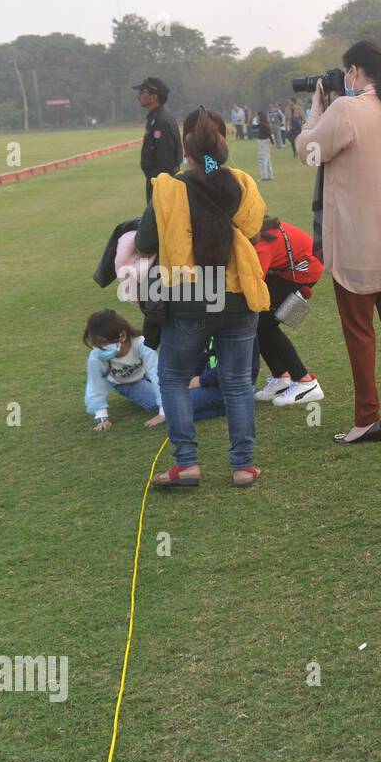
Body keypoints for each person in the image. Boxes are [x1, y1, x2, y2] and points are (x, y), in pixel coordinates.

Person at [296, 39, 381, 445]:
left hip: (356, 245)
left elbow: (309, 151)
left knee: (360, 333)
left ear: (353, 72)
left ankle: (368, 417)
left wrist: (315, 106)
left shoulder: (347, 109)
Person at [136, 106, 271, 488]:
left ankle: (187, 464)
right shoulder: (243, 183)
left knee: (174, 377)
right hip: (237, 293)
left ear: (186, 151)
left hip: (190, 294)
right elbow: (253, 229)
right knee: (238, 381)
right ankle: (242, 466)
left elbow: (146, 242)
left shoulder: (167, 188)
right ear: (222, 146)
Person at [251, 216, 326, 405]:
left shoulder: (261, 245)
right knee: (261, 324)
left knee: (265, 325)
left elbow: (252, 284)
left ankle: (305, 382)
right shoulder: (258, 230)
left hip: (303, 271)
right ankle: (281, 378)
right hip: (291, 268)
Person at [83, 309, 165, 431]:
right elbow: (95, 385)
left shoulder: (141, 343)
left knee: (173, 390)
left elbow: (156, 372)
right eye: (95, 343)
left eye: (104, 342)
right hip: (125, 382)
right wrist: (102, 418)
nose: (100, 348)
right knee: (154, 403)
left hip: (145, 372)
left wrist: (163, 411)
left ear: (122, 336)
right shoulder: (96, 356)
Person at [135, 76, 181, 204]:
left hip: (162, 184)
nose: (139, 95)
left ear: (154, 97)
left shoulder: (161, 121)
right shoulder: (156, 118)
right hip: (157, 181)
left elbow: (166, 161)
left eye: (142, 92)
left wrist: (161, 185)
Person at [254, 110, 273, 180]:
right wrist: (272, 141)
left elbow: (254, 126)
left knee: (262, 159)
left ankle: (264, 176)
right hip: (266, 142)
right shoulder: (265, 124)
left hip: (263, 142)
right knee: (268, 159)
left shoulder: (262, 125)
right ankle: (269, 175)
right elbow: (254, 127)